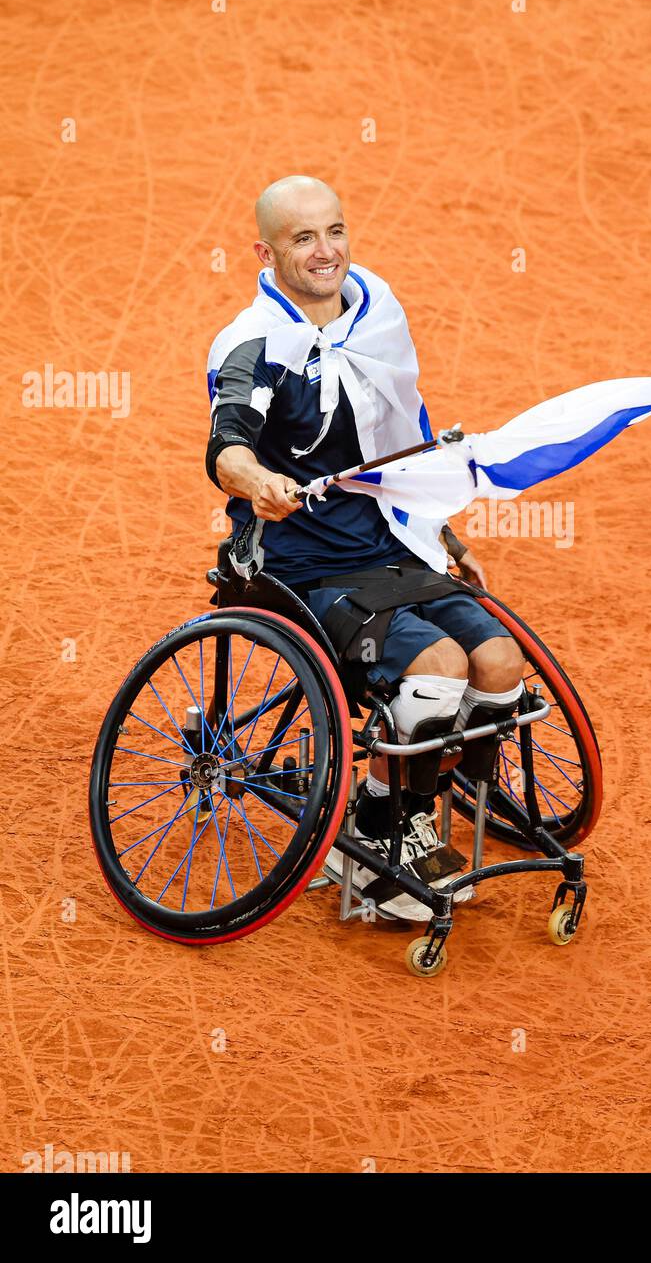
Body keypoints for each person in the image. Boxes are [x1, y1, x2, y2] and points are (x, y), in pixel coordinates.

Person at [205, 175, 525, 918]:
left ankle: (413, 793)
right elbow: (226, 446)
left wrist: (441, 530)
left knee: (501, 663)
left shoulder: (373, 313)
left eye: (336, 231)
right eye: (303, 238)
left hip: (389, 545)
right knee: (441, 667)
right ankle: (387, 827)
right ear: (266, 251)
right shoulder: (254, 344)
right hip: (301, 564)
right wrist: (259, 481)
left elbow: (401, 442)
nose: (327, 252)